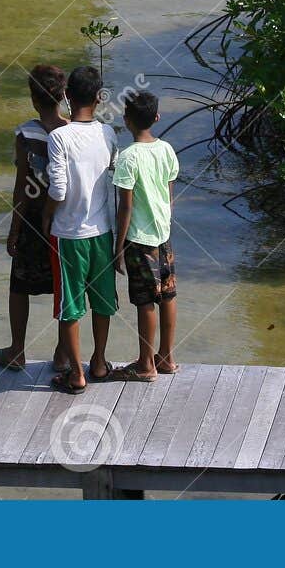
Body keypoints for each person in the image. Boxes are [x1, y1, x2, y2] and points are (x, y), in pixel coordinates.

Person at [42, 64, 119, 393]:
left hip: (69, 234)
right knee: (102, 300)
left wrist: (46, 217)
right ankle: (99, 362)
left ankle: (76, 374)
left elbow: (58, 190)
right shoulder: (108, 133)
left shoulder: (59, 137)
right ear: (99, 98)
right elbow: (114, 173)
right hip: (102, 231)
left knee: (69, 306)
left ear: (67, 96)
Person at [0, 64, 70, 373]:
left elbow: (22, 186)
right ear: (63, 96)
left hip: (33, 220)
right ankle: (63, 353)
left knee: (19, 286)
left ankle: (17, 349)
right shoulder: (72, 131)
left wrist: (14, 229)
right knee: (65, 287)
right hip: (65, 219)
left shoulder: (25, 133)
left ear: (33, 99)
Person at [108, 90, 180, 381]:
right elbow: (169, 195)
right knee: (168, 294)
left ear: (126, 120)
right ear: (157, 117)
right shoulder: (167, 150)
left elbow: (125, 207)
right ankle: (166, 357)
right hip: (164, 235)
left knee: (145, 300)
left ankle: (145, 364)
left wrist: (118, 247)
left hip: (139, 240)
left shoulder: (128, 157)